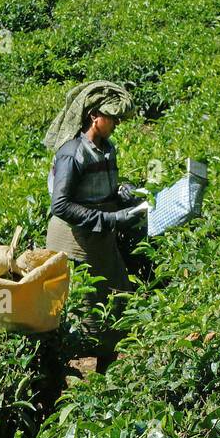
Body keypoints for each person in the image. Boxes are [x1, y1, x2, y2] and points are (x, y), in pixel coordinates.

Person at [42, 80, 149, 302]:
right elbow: (60, 205)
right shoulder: (72, 153)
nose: (117, 123)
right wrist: (112, 218)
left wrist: (121, 191)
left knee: (121, 300)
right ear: (94, 116)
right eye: (112, 117)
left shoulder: (107, 149)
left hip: (101, 239)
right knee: (87, 309)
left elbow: (97, 188)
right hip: (74, 242)